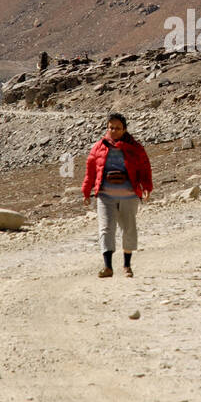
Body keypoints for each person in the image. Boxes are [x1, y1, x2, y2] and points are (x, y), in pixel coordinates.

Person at [82, 112, 152, 278]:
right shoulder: (99, 147)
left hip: (129, 195)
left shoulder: (135, 147)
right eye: (111, 127)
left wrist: (147, 186)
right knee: (106, 228)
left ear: (125, 129)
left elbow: (144, 168)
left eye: (117, 128)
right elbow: (90, 171)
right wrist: (86, 191)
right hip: (105, 195)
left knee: (128, 229)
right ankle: (108, 267)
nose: (113, 131)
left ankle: (127, 266)